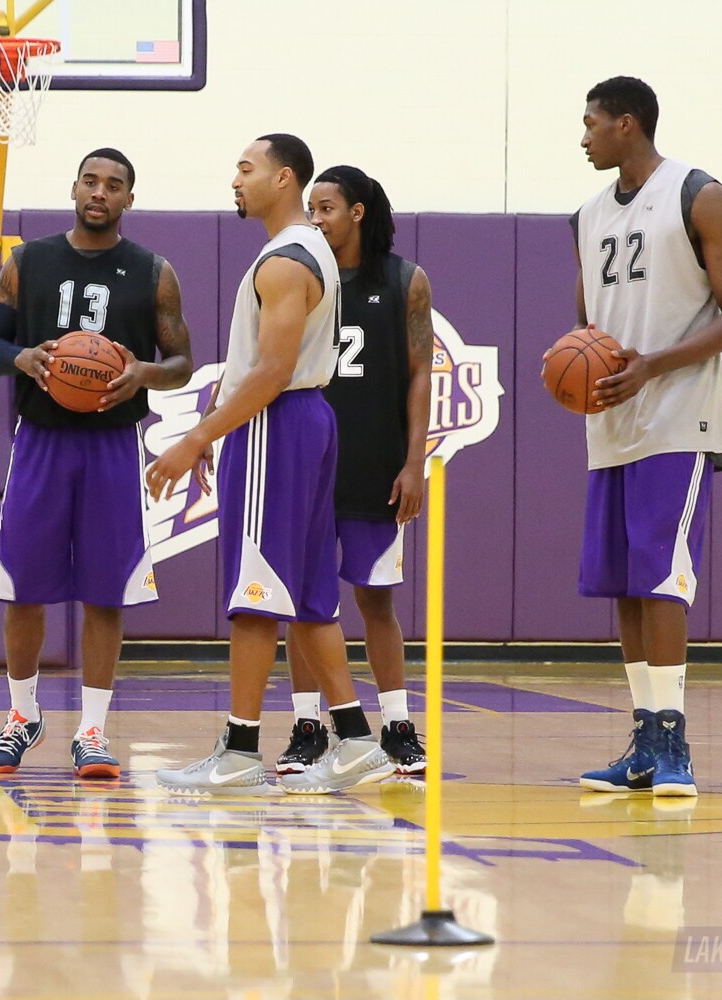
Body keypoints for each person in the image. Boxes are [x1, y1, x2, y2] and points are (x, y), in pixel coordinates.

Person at [147, 134, 393, 795]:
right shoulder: (307, 250)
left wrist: (196, 438)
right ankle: (358, 742)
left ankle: (239, 751)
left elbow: (273, 371)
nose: (235, 179)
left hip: (275, 426)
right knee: (311, 599)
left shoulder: (285, 261)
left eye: (246, 168)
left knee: (255, 593)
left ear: (283, 178)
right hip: (304, 423)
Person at [0, 148, 194, 779]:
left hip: (112, 446)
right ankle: (22, 717)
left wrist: (142, 373)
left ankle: (92, 733)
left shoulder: (154, 271)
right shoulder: (28, 261)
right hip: (41, 440)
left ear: (129, 198)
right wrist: (21, 358)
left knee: (107, 589)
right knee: (22, 585)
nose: (101, 192)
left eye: (115, 185)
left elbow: (181, 362)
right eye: (91, 181)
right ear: (74, 188)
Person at [565, 77, 722, 797]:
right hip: (613, 415)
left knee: (661, 576)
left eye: (590, 124)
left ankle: (674, 743)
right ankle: (643, 740)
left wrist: (654, 366)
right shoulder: (585, 215)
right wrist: (577, 370)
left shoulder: (698, 194)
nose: (582, 137)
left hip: (679, 413)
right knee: (622, 583)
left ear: (627, 123)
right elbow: (588, 322)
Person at [278, 165, 433, 777]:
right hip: (305, 458)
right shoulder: (298, 274)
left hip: (374, 460)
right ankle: (307, 727)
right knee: (303, 604)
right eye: (310, 208)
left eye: (325, 207)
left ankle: (397, 726)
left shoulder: (404, 280)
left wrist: (415, 460)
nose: (314, 218)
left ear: (357, 212)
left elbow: (421, 370)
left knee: (376, 600)